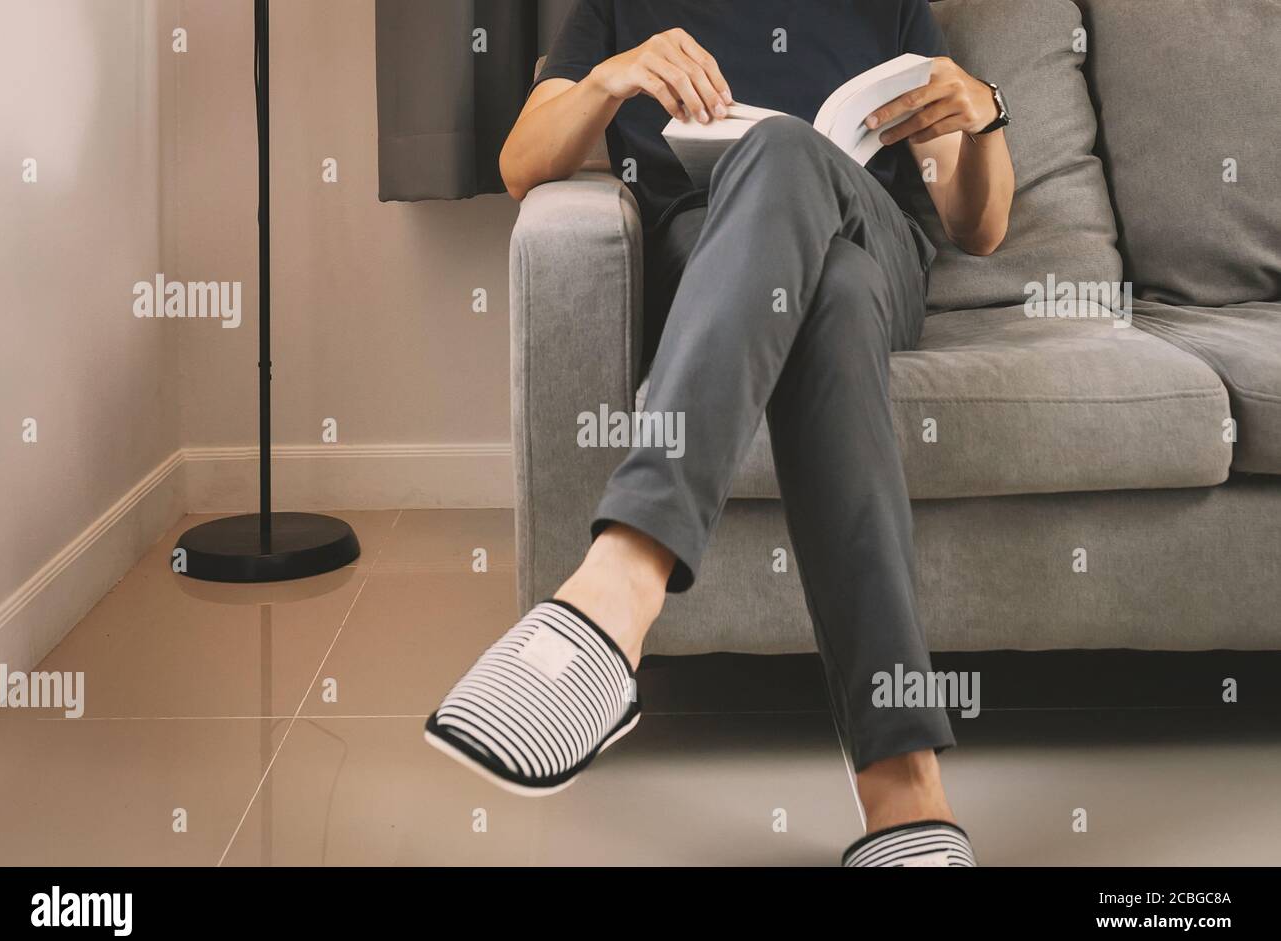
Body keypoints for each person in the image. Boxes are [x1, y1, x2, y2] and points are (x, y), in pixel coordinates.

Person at [425, 0, 1014, 867]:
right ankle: (903, 793)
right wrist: (610, 76)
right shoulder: (618, 8)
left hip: (877, 240)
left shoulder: (890, 8)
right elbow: (523, 162)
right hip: (716, 258)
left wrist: (986, 118)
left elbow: (981, 227)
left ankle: (618, 590)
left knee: (790, 165)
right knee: (834, 293)